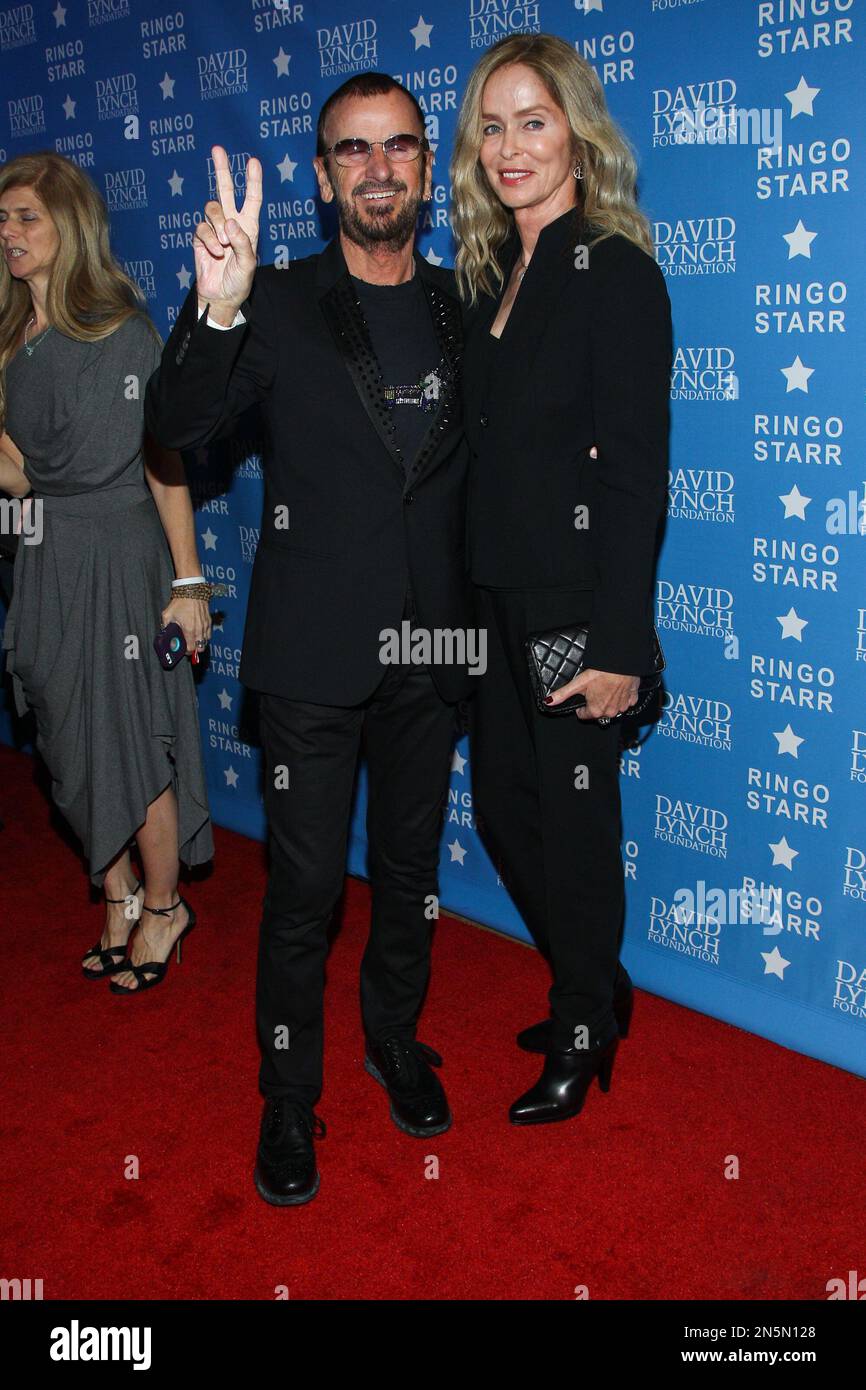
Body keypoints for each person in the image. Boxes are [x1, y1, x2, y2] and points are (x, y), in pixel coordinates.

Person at [144, 74, 475, 1206]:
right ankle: (288, 1096)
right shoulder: (274, 299)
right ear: (326, 175)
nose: (377, 168)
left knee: (408, 873)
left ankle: (393, 1037)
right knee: (302, 894)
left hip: (436, 655)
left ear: (427, 167)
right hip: (312, 659)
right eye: (351, 151)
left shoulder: (464, 305)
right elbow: (176, 431)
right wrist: (217, 308)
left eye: (398, 147)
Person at [451, 34, 673, 1124]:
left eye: (531, 120)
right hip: (492, 599)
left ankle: (583, 1025)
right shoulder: (494, 274)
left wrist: (617, 648)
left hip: (572, 606)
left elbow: (634, 478)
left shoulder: (614, 270)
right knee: (501, 807)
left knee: (576, 826)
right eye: (490, 125)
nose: (508, 146)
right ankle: (602, 986)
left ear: (577, 135)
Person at [0, 152, 214, 994]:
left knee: (128, 732)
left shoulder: (121, 330)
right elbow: (22, 475)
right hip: (48, 553)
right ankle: (118, 890)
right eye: (2, 221)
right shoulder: (15, 337)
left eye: (26, 218)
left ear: (70, 226)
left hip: (123, 551)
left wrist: (188, 583)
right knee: (63, 732)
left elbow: (165, 460)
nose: (10, 235)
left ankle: (164, 904)